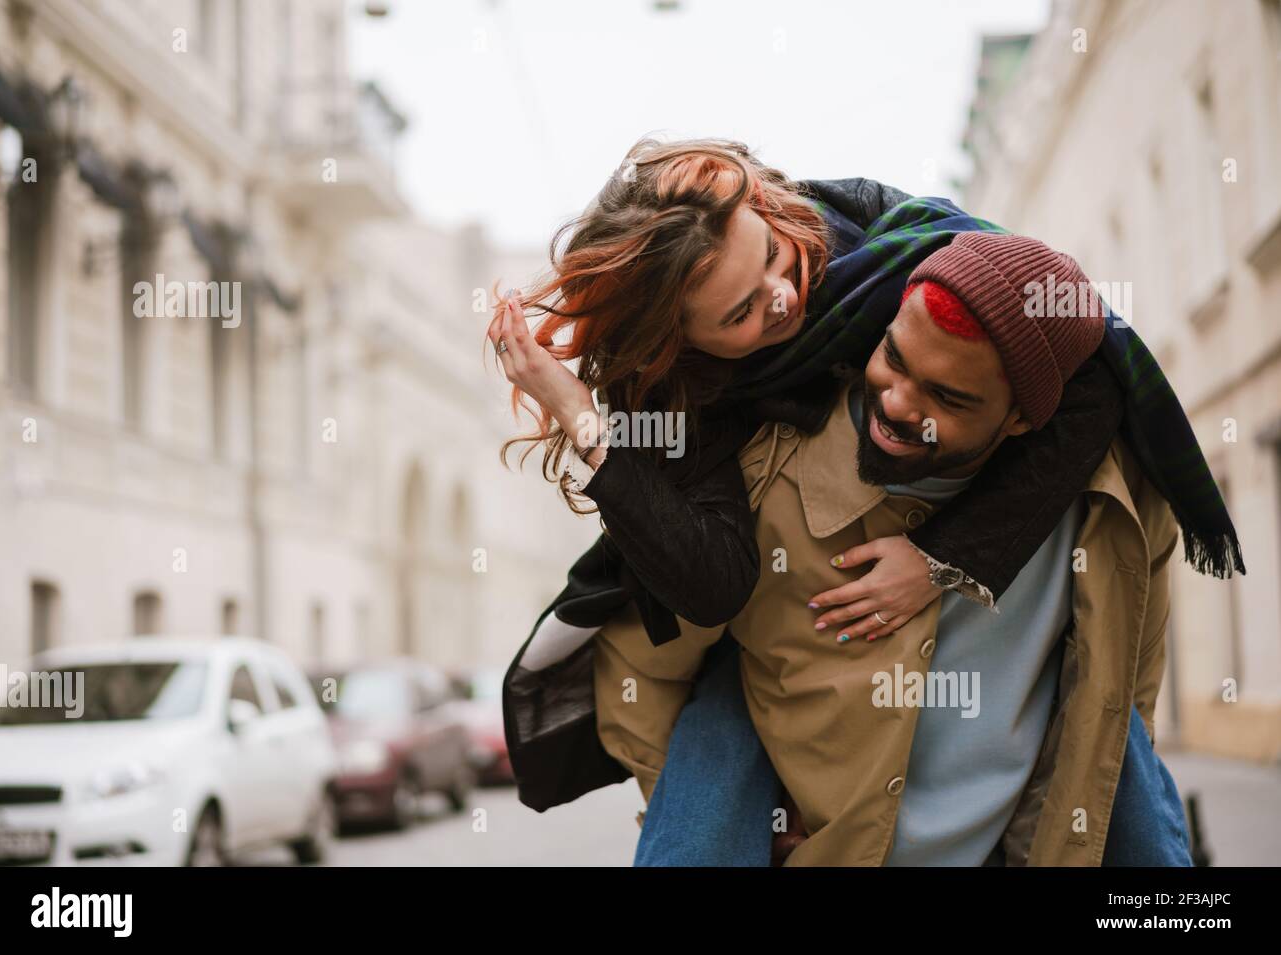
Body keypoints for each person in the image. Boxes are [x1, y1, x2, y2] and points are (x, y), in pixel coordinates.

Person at [490, 137, 1241, 863]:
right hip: (794, 750)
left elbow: (1093, 359)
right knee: (721, 726)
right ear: (682, 346)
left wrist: (942, 557)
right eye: (740, 314)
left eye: (773, 260)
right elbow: (701, 595)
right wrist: (586, 422)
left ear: (764, 206)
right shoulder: (704, 413)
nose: (784, 298)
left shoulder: (889, 243)